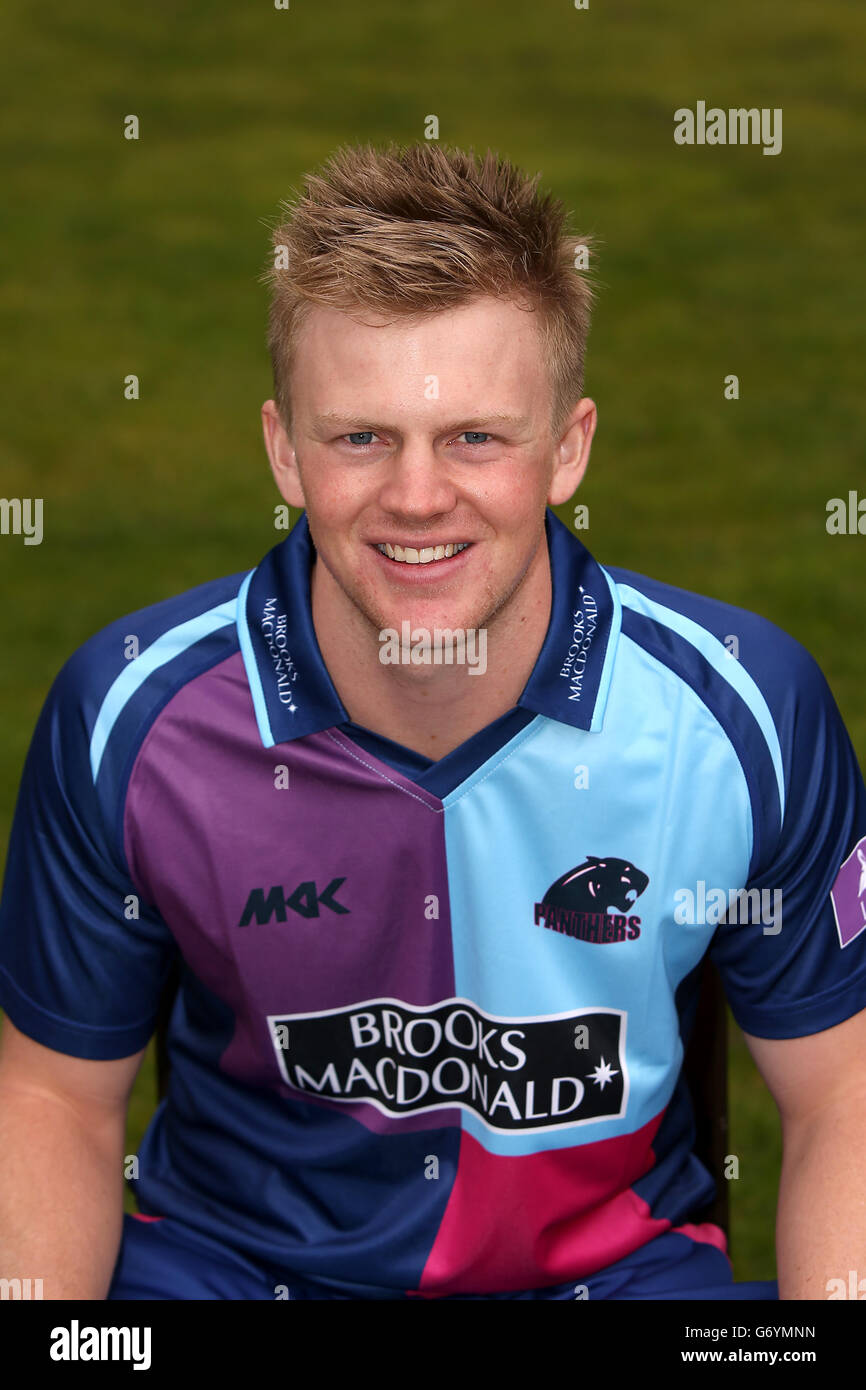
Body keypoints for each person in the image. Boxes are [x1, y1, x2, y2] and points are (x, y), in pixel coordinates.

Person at [1, 141, 865, 1302]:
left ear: (566, 448)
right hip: (229, 1276)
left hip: (615, 1283)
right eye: (361, 436)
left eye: (474, 436)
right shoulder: (129, 715)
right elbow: (53, 1098)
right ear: (283, 449)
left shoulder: (743, 709)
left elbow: (840, 1094)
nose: (415, 496)